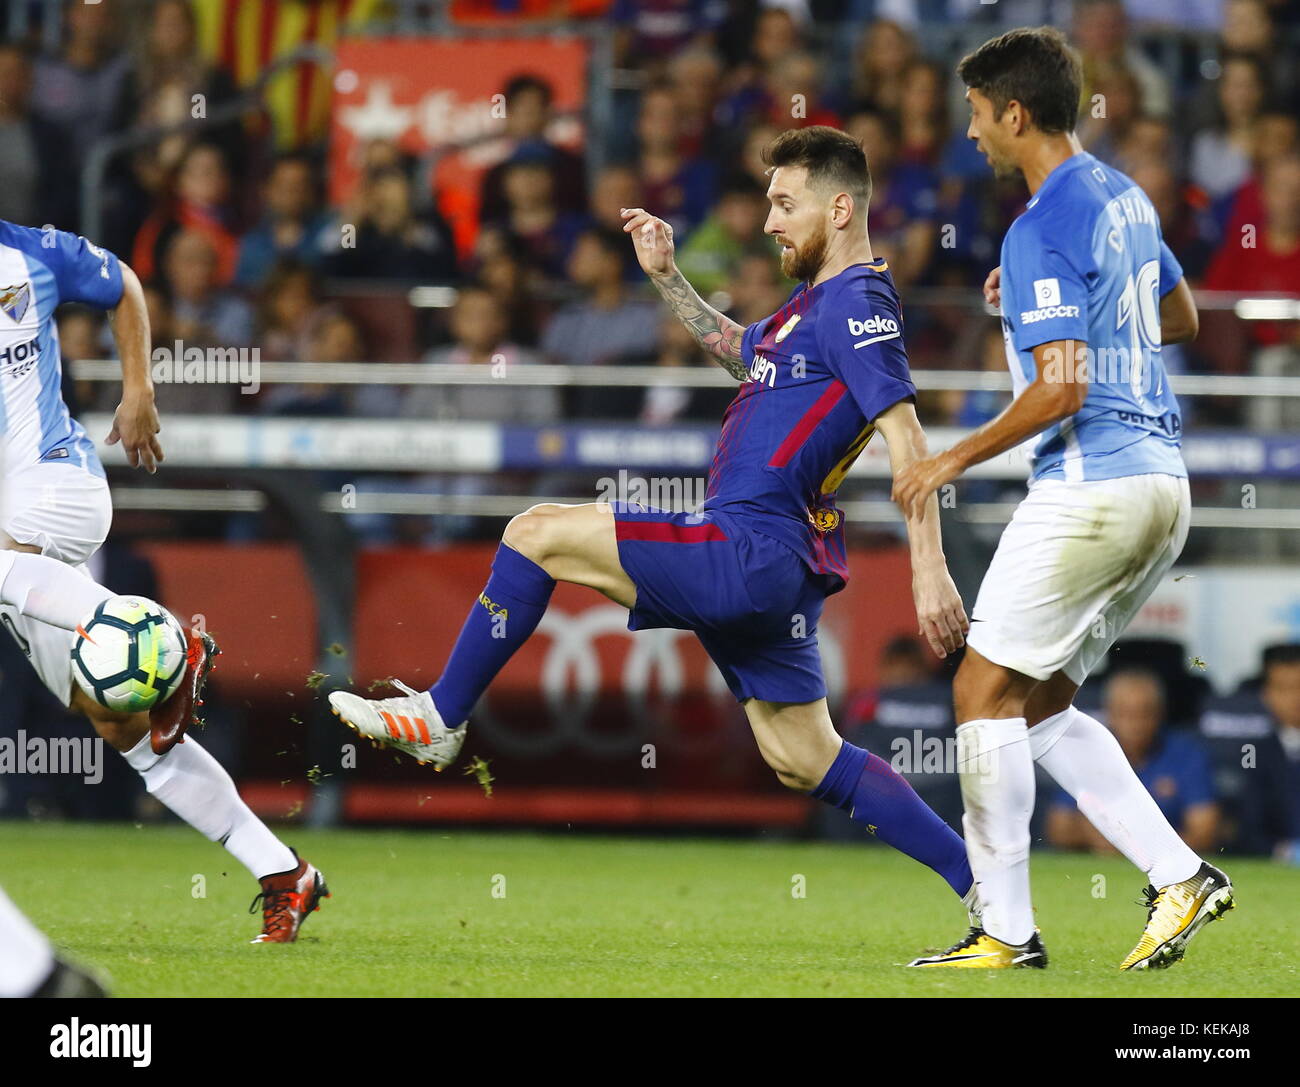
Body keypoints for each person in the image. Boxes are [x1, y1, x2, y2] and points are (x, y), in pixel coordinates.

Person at [331, 126, 984, 922]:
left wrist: (928, 565)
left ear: (840, 207)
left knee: (536, 531)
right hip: (773, 557)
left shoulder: (857, 300)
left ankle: (440, 717)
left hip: (749, 544)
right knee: (801, 756)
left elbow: (906, 435)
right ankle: (986, 887)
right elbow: (747, 355)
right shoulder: (812, 307)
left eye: (785, 204)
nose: (770, 221)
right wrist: (669, 279)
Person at [893, 27, 1232, 971]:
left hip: (1093, 481)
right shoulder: (1123, 196)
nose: (970, 134)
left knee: (977, 688)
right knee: (1035, 708)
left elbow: (1062, 389)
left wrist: (945, 461)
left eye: (975, 114)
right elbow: (1179, 316)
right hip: (1164, 483)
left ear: (1014, 112)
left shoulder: (1040, 222)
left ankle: (1004, 929)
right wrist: (1049, 303)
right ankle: (1180, 876)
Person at [0, 221, 327, 943]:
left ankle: (166, 638)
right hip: (16, 552)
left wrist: (138, 389)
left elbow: (124, 286)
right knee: (128, 729)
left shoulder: (33, 252)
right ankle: (282, 872)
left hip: (59, 486)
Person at [1047, 670, 1220, 855]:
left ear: (1160, 715)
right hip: (1100, 864)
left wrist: (1140, 848)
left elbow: (1205, 833)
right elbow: (1058, 828)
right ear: (1109, 714)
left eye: (1144, 714)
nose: (1135, 725)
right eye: (1125, 714)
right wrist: (1096, 838)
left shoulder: (1187, 754)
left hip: (1166, 865)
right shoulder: (1088, 753)